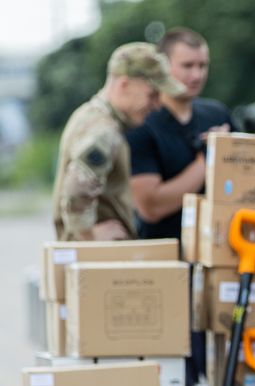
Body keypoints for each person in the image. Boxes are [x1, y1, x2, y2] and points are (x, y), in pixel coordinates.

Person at [52, 42, 184, 241]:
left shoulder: (91, 115)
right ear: (124, 85)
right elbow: (76, 191)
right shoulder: (104, 132)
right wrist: (89, 234)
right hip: (97, 260)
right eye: (153, 95)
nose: (157, 106)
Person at [127, 28, 233, 239]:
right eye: (187, 66)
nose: (197, 75)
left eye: (202, 65)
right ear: (163, 67)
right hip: (164, 255)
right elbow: (151, 208)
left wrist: (235, 152)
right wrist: (210, 157)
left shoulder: (217, 114)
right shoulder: (142, 124)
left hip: (219, 249)